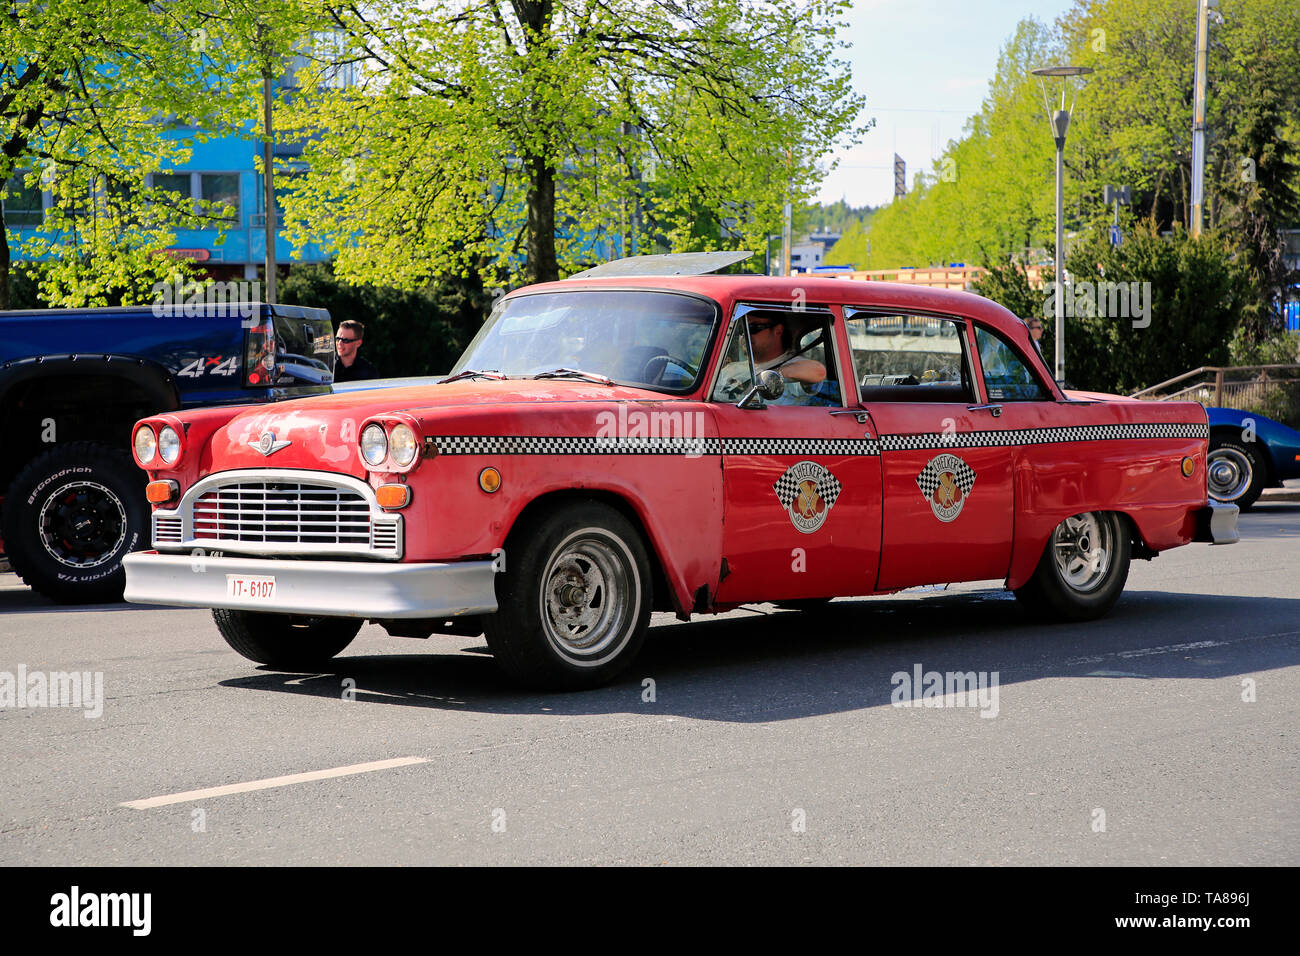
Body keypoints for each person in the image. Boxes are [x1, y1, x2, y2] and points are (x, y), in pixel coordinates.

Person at [716, 315, 826, 400]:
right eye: (741, 329)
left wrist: (771, 376)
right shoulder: (731, 368)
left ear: (778, 330)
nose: (745, 334)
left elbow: (818, 371)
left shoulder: (792, 363)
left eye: (753, 328)